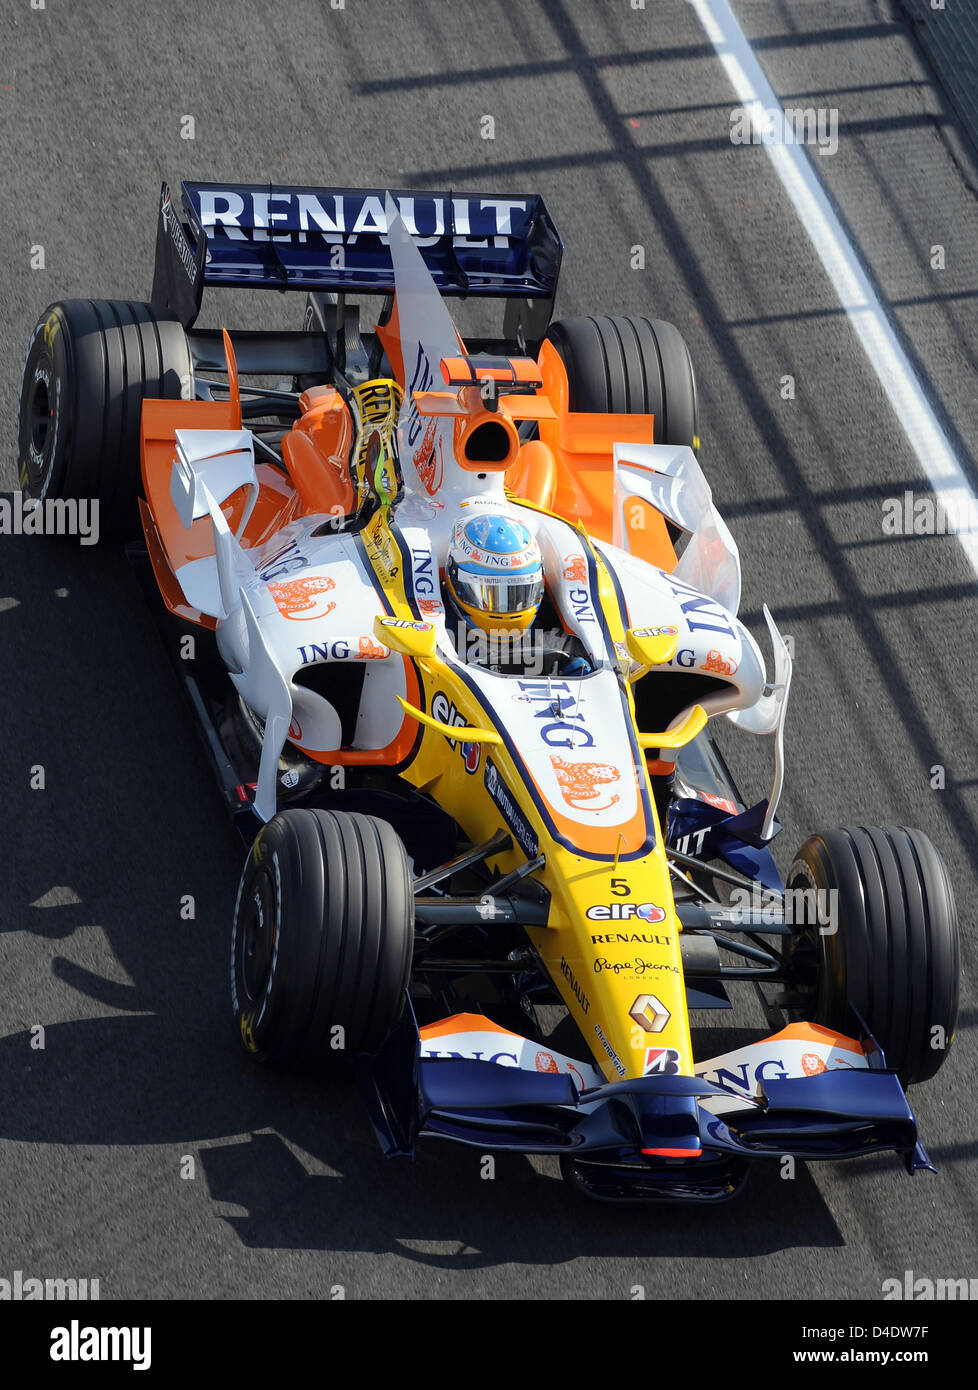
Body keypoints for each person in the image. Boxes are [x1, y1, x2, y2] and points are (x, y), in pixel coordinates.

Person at [444, 510, 593, 676]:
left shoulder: (548, 638)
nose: (505, 609)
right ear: (455, 579)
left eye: (517, 594)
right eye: (490, 594)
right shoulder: (440, 636)